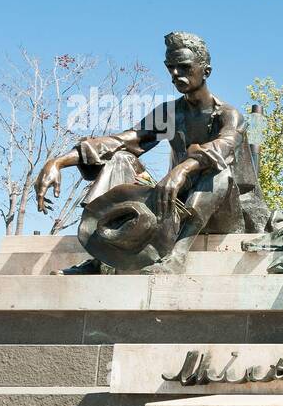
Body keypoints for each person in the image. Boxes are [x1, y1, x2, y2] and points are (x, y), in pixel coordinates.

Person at [34, 31, 263, 273]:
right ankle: (103, 256)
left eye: (183, 67)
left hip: (223, 212)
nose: (175, 74)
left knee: (217, 168)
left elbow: (223, 146)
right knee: (122, 158)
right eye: (171, 68)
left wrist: (182, 169)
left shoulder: (229, 115)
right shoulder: (169, 114)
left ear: (205, 71)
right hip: (176, 205)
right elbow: (124, 141)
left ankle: (177, 256)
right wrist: (59, 162)